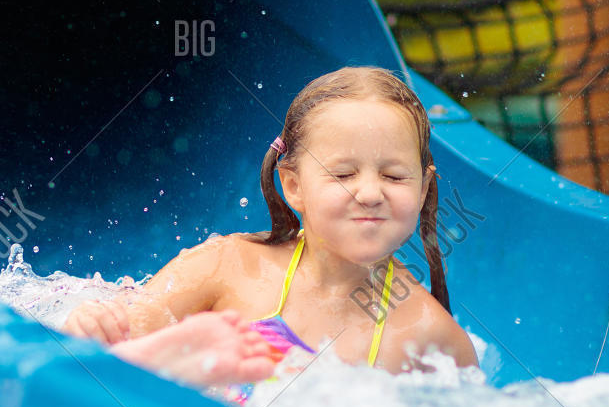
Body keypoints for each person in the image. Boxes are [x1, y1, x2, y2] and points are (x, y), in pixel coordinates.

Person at [64, 66, 479, 389]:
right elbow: (106, 356)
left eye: (393, 177)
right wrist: (89, 330)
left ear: (424, 189)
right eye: (342, 175)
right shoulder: (226, 267)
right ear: (294, 186)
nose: (370, 193)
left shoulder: (432, 337)